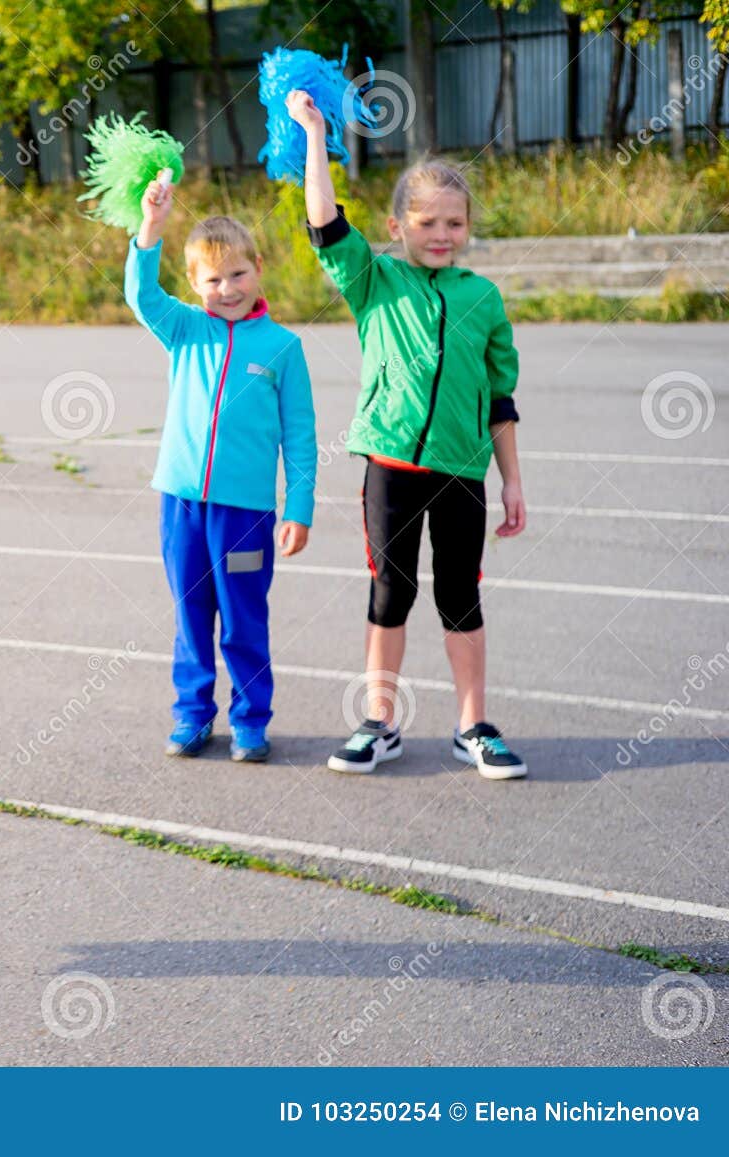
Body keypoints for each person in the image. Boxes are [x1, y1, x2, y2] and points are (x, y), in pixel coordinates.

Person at [286, 89, 528, 780]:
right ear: (397, 226)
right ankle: (378, 723)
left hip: (462, 471)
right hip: (390, 466)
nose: (441, 234)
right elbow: (325, 222)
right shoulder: (374, 281)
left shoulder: (483, 298)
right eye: (426, 222)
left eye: (454, 222)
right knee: (390, 591)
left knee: (461, 595)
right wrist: (314, 134)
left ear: (469, 227)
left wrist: (511, 479)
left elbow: (500, 400)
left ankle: (473, 725)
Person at [127, 168, 317, 763]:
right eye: (213, 279)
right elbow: (140, 295)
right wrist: (150, 226)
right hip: (181, 504)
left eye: (238, 274)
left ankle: (251, 720)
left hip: (247, 514)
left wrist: (300, 506)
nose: (227, 288)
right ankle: (191, 715)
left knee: (241, 619)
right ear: (194, 284)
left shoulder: (283, 346)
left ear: (258, 268)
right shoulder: (184, 328)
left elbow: (301, 436)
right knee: (191, 615)